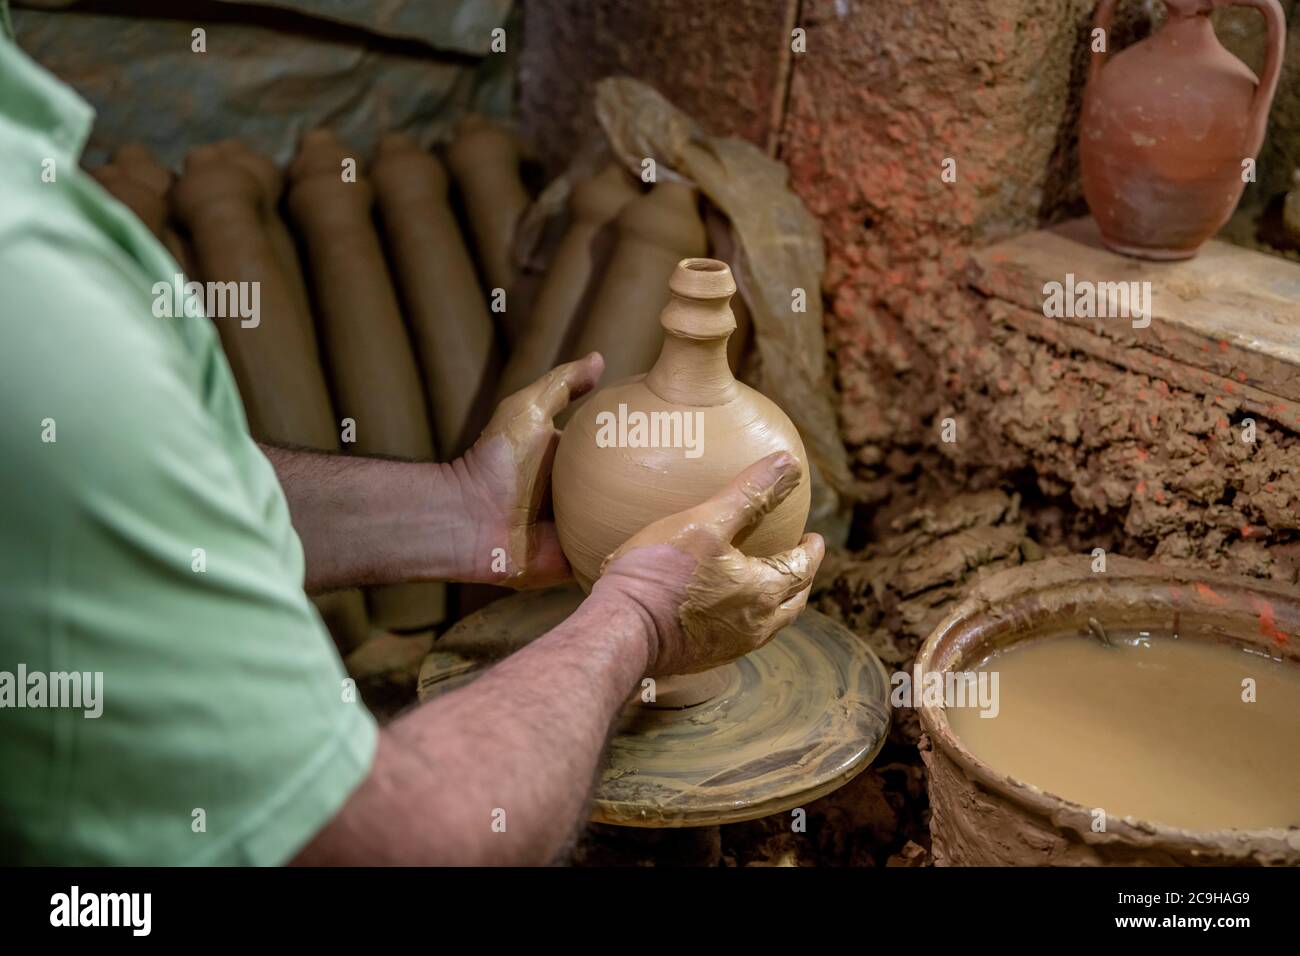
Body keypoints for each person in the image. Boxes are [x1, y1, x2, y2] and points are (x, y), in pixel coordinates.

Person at [0, 19, 823, 864]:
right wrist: (641, 617)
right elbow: (388, 843)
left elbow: (148, 495)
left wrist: (458, 509)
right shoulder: (35, 289)